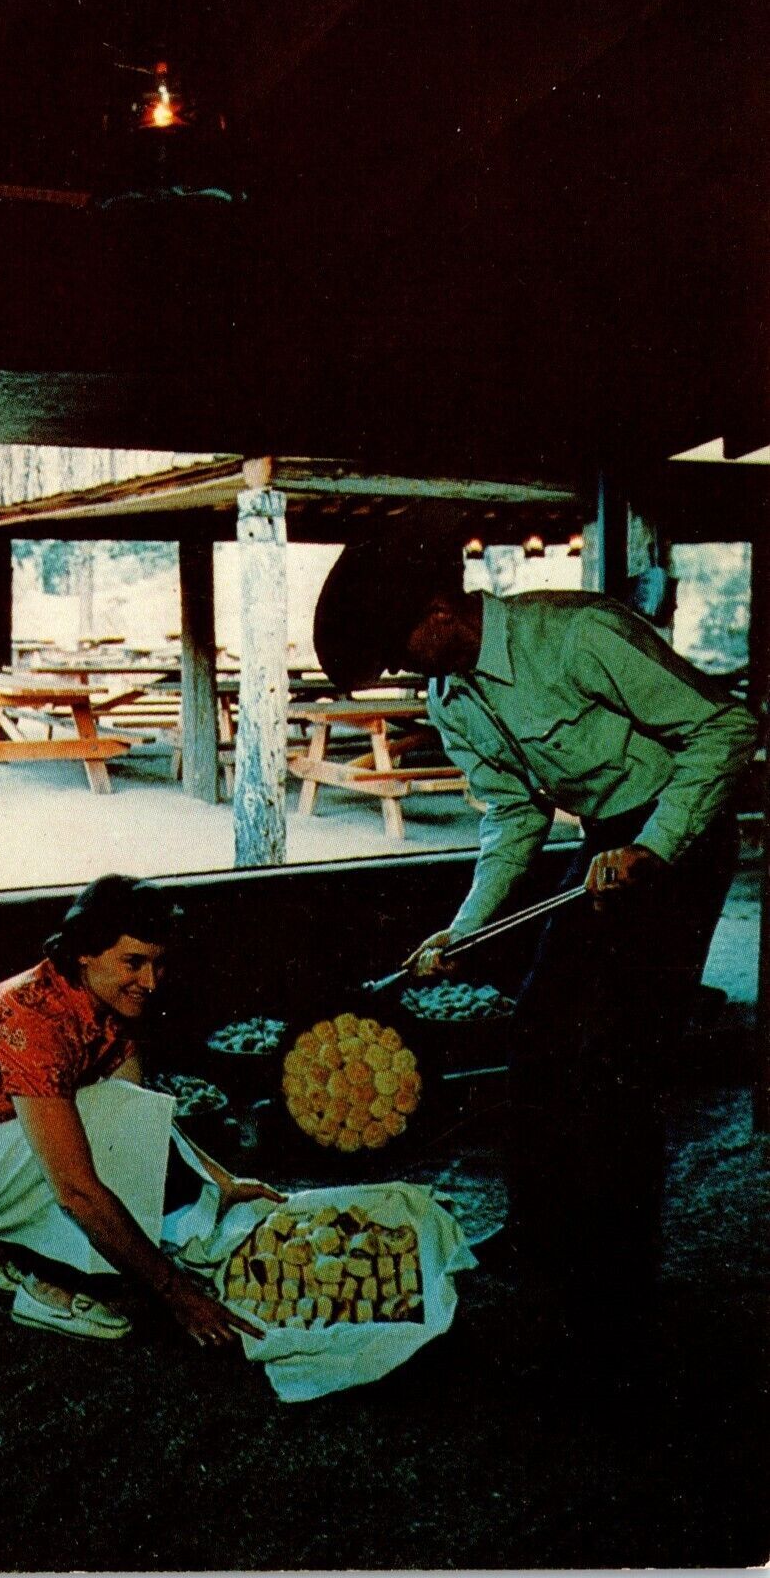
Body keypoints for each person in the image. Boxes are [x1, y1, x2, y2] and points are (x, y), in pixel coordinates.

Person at [313, 525, 758, 1337]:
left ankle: (619, 1279)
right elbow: (515, 815)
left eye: (404, 648)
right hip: (602, 845)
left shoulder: (579, 634)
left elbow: (727, 728)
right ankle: (537, 1230)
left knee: (618, 1057)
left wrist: (654, 848)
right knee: (540, 1032)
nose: (408, 671)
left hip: (679, 835)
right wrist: (463, 931)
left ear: (443, 612)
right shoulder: (452, 699)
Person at [0, 875, 283, 1346]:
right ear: (84, 952)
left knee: (109, 1117)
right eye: (133, 962)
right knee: (82, 1168)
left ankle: (6, 1241)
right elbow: (77, 1190)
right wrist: (177, 1294)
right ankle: (49, 1283)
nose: (150, 982)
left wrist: (223, 1181)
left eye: (159, 964)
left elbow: (138, 1122)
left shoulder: (102, 997)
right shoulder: (32, 1022)